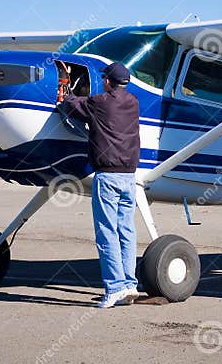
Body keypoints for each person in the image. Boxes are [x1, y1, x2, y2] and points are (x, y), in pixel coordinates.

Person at [59, 62, 141, 308]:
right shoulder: (133, 103)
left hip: (108, 177)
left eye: (104, 78)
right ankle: (129, 284)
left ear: (107, 82)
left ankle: (114, 289)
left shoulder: (99, 103)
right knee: (126, 231)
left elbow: (71, 105)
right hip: (130, 178)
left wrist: (66, 88)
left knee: (106, 233)